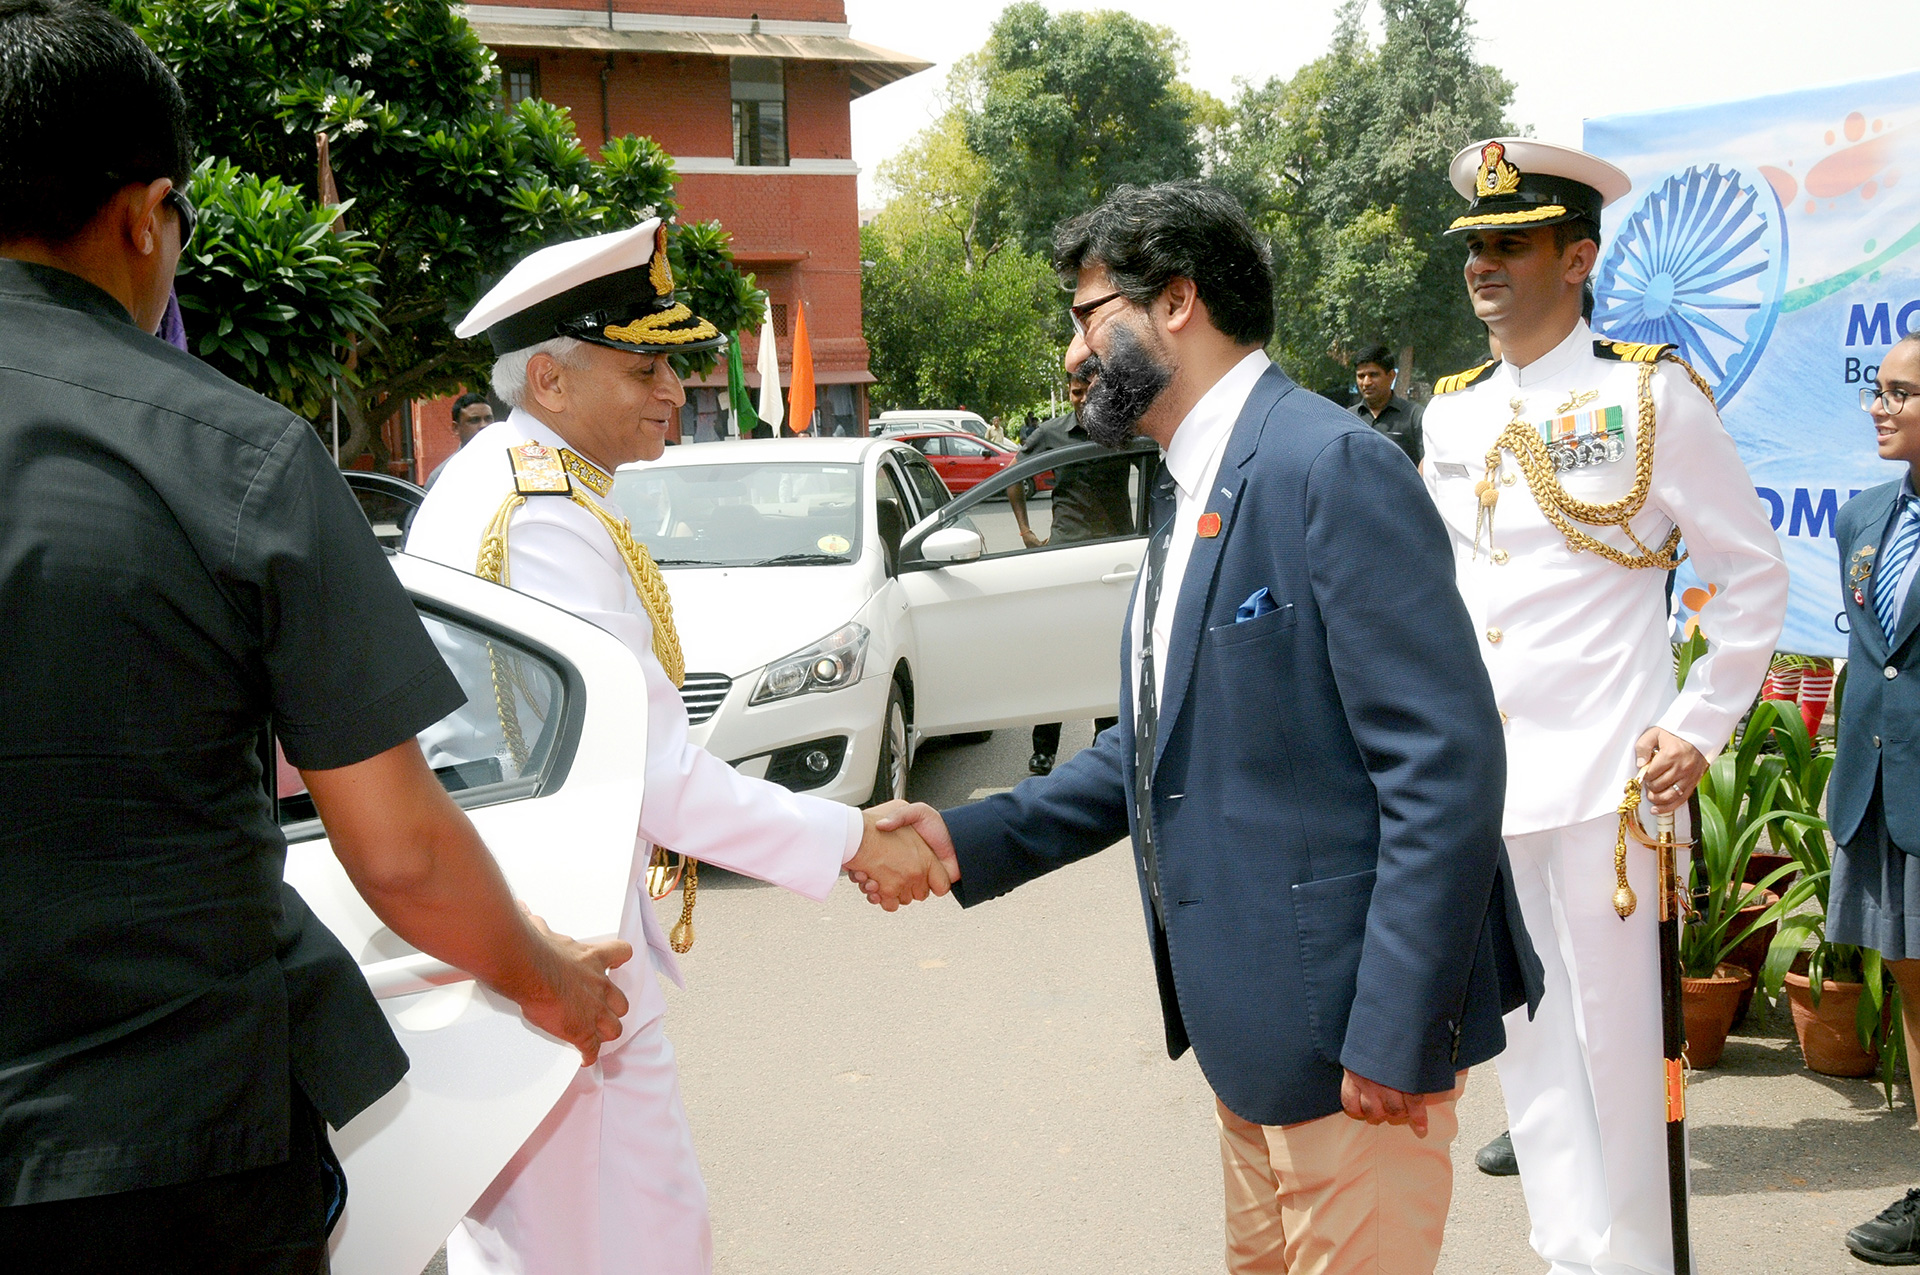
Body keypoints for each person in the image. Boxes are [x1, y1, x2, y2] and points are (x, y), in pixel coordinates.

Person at [0, 2, 631, 1267]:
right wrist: (549, 979)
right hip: (167, 1163)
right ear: (145, 214)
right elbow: (398, 851)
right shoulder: (236, 455)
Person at [870, 181, 1540, 1275]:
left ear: (1176, 299)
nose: (1075, 351)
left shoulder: (1327, 466)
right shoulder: (1190, 483)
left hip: (1353, 1056)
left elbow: (1445, 768)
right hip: (1254, 1043)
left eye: (1090, 316)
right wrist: (963, 839)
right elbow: (1152, 750)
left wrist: (1396, 1031)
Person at [405, 220, 949, 1275]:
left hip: (527, 931)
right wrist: (850, 837)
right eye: (646, 366)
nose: (674, 391)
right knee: (642, 1246)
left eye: (676, 366)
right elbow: (644, 769)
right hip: (556, 947)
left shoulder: (513, 478)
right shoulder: (540, 513)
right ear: (553, 381)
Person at [1421, 138, 1788, 1275]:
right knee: (1527, 1056)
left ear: (1577, 257)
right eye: (1475, 245)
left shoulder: (1648, 392)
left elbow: (1751, 574)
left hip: (1613, 785)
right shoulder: (1451, 414)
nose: (1485, 264)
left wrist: (1697, 721)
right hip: (1493, 782)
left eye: (1512, 243)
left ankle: (1637, 1263)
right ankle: (1570, 1256)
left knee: (1624, 1061)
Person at [1828, 332, 1920, 1267]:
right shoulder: (1861, 516)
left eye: (1903, 394)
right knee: (1913, 992)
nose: (1881, 406)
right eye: (1879, 389)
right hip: (1880, 795)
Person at [1009, 366, 1130, 774]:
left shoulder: (1123, 429)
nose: (1080, 398)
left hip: (1117, 558)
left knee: (1109, 653)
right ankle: (1044, 748)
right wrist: (1025, 529)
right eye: (1075, 392)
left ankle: (1105, 742)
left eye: (1087, 390)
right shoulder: (1051, 433)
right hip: (1064, 556)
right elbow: (1013, 474)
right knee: (1055, 652)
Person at [1350, 343, 1423, 466]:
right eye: (1361, 376)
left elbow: (1426, 463)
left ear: (1391, 376)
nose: (1366, 382)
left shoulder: (1414, 417)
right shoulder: (1348, 418)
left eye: (1373, 375)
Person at [425, 390, 494, 487]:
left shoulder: (513, 463)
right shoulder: (441, 476)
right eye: (474, 420)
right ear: (456, 428)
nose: (484, 425)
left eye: (488, 419)